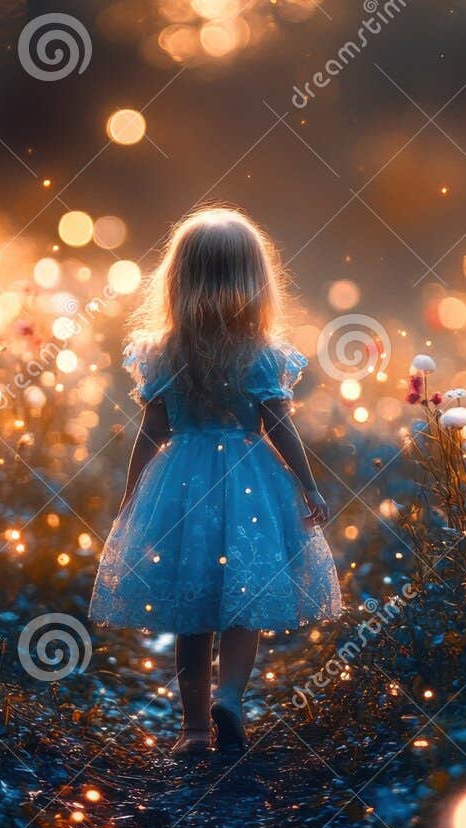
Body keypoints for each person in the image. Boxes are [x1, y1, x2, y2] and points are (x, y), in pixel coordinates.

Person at [88, 207, 342, 755]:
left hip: (180, 486)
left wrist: (134, 496)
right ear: (255, 281)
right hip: (251, 481)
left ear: (179, 279)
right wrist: (307, 485)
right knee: (244, 600)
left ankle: (194, 729)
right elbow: (279, 427)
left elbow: (151, 433)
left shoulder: (162, 352)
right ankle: (229, 696)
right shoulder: (261, 354)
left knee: (191, 611)